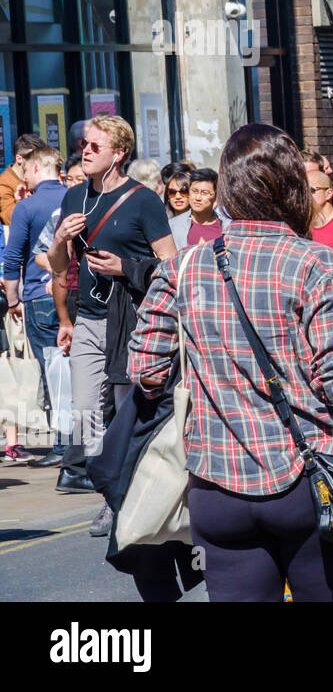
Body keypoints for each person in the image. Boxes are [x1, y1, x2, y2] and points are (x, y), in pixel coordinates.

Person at [129, 123, 333, 601]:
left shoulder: (182, 267)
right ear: (292, 186)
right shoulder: (313, 263)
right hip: (306, 479)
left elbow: (146, 372)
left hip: (217, 484)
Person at [46, 116, 177, 521]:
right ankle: (110, 487)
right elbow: (57, 267)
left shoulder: (142, 201)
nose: (84, 152)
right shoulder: (73, 199)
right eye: (83, 145)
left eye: (94, 147)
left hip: (132, 321)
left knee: (126, 412)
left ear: (118, 154)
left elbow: (172, 266)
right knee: (85, 413)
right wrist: (60, 240)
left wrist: (125, 267)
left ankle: (119, 499)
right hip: (89, 317)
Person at [3, 145, 67, 467]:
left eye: (27, 170)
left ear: (39, 169)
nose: (24, 176)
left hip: (39, 298)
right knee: (74, 370)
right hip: (74, 295)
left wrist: (13, 301)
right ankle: (84, 440)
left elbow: (12, 259)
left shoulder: (27, 209)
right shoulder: (75, 197)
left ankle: (62, 445)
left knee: (50, 372)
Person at [168, 168, 227, 249]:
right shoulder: (173, 226)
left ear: (216, 196)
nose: (198, 198)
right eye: (195, 191)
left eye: (204, 193)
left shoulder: (226, 227)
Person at [1, 134, 47, 224]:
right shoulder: (3, 184)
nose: (40, 162)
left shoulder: (37, 176)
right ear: (19, 159)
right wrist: (23, 201)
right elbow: (9, 219)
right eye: (35, 158)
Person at [308, 169, 333, 253]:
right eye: (303, 191)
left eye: (312, 190)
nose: (306, 195)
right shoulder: (301, 226)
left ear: (328, 193)